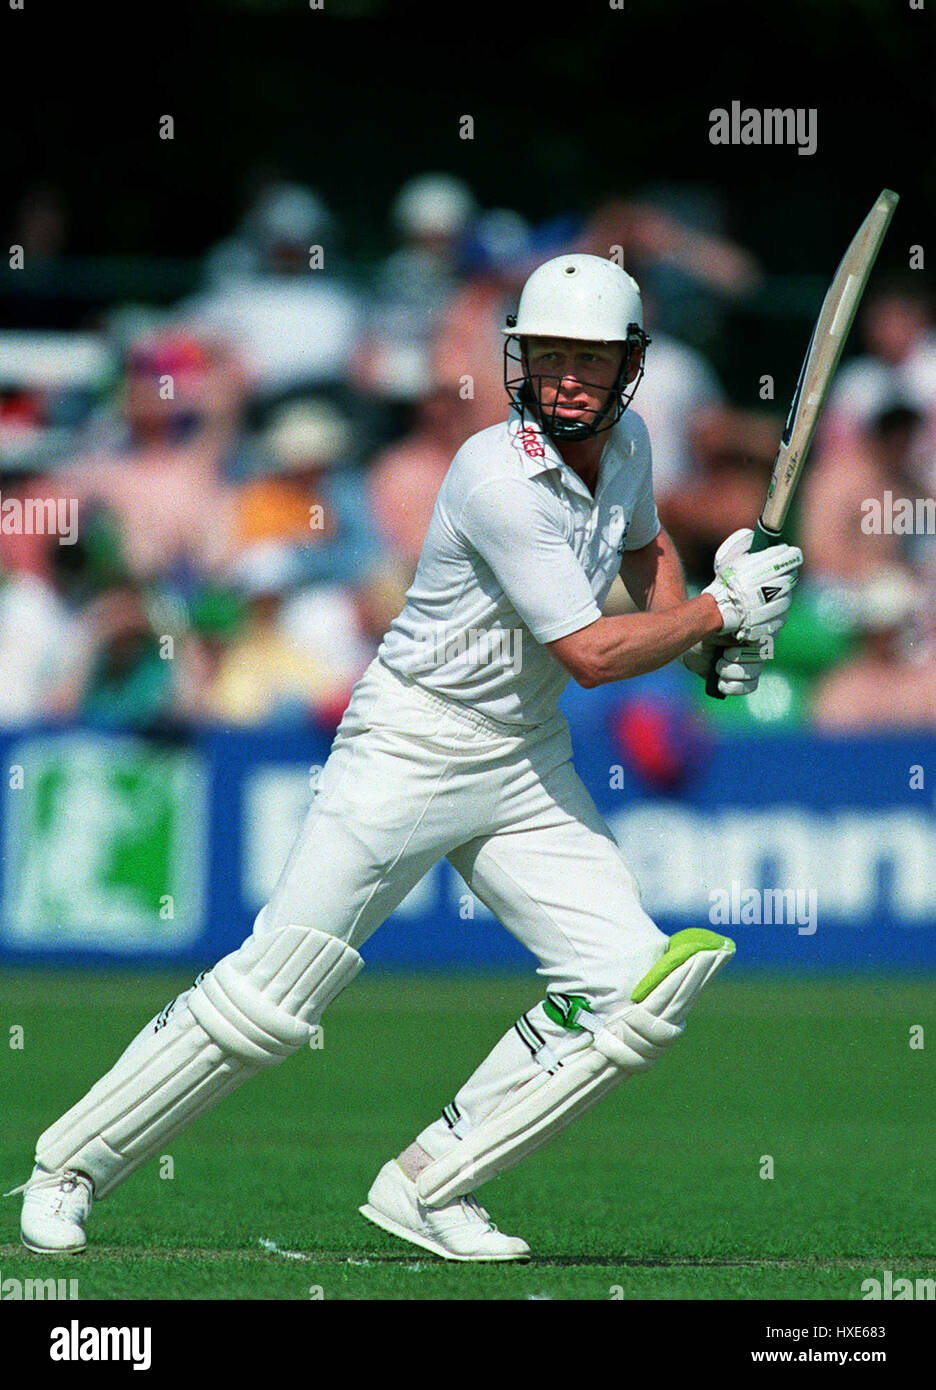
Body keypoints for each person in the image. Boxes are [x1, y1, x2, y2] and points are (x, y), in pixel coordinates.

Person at [13, 254, 801, 1262]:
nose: (566, 377)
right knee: (275, 990)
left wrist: (707, 643)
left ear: (628, 370)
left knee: (633, 987)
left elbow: (645, 554)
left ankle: (431, 1185)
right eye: (549, 355)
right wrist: (720, 612)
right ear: (519, 358)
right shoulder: (495, 477)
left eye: (589, 361)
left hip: (523, 755)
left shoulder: (633, 442)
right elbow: (593, 655)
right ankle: (66, 1167)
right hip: (412, 743)